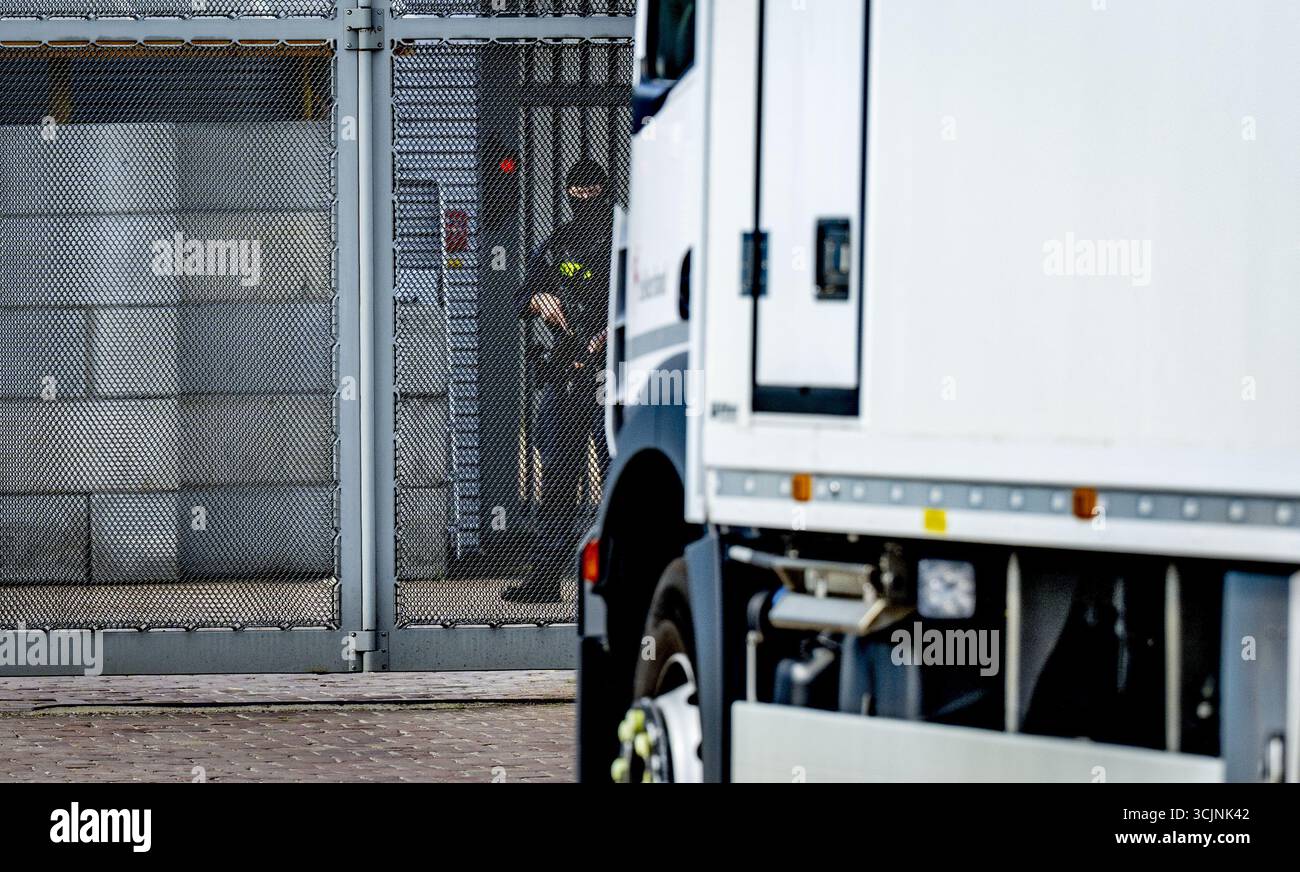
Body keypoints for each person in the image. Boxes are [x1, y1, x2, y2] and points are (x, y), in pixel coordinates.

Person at [503, 159, 613, 604]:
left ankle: (616, 575)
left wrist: (605, 335)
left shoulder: (623, 238)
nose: (583, 195)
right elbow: (521, 297)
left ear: (604, 188)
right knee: (559, 480)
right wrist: (539, 299)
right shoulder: (559, 242)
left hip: (612, 375)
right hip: (566, 371)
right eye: (577, 188)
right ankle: (547, 578)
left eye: (591, 187)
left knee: (614, 474)